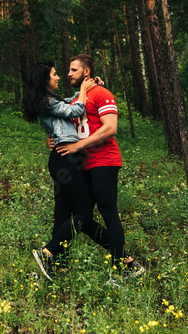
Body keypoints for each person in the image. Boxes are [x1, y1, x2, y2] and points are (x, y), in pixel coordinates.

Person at [53, 53, 143, 278]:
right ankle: (126, 261)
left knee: (108, 212)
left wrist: (79, 145)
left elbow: (110, 128)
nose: (68, 73)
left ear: (86, 72)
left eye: (73, 70)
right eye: (68, 70)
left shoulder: (102, 94)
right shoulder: (76, 101)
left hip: (104, 161)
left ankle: (121, 271)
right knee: (81, 217)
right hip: (82, 166)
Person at [21, 60, 101, 280]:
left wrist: (89, 85)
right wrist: (84, 91)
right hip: (65, 158)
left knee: (63, 214)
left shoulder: (49, 99)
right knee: (83, 213)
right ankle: (47, 253)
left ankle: (60, 265)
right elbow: (76, 108)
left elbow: (70, 100)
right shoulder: (47, 100)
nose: (58, 77)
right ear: (44, 80)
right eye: (54, 74)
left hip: (62, 157)